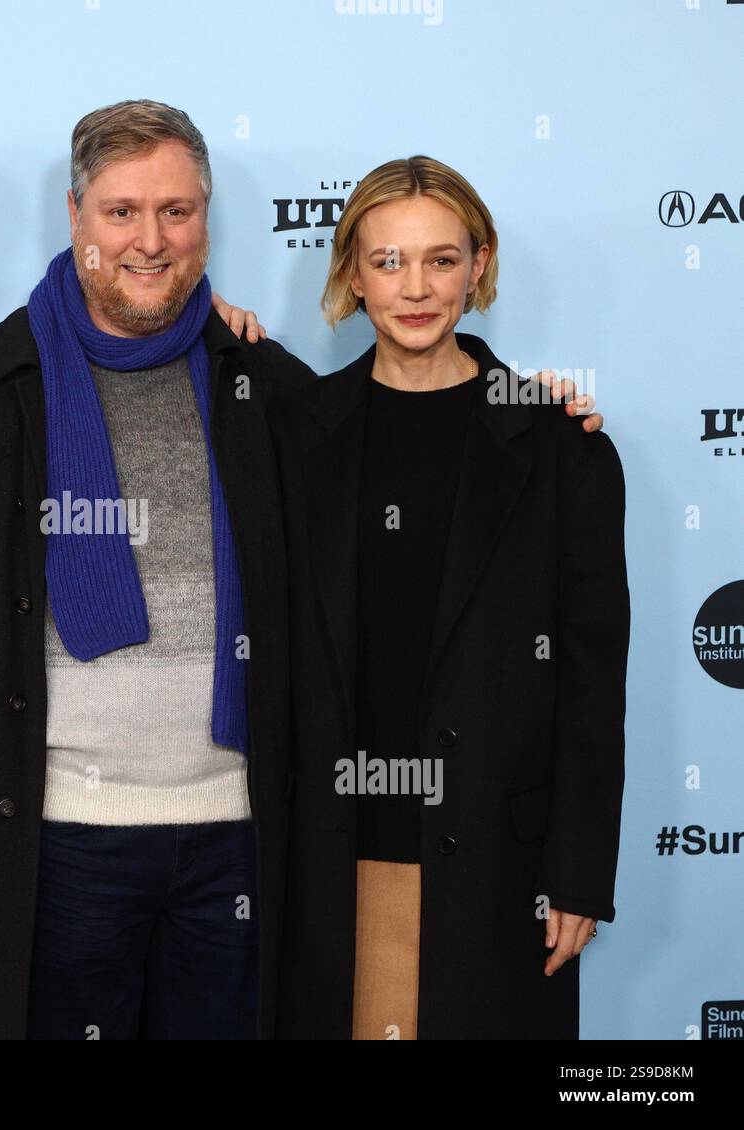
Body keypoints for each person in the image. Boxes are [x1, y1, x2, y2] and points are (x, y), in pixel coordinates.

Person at [0, 100, 312, 1039]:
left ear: (206, 223)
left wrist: (536, 407)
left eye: (176, 212)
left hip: (236, 837)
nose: (151, 239)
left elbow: (411, 438)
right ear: (74, 216)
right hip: (61, 841)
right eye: (122, 211)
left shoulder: (265, 383)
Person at [272, 156, 630, 1039]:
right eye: (388, 261)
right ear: (352, 273)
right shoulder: (293, 434)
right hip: (331, 858)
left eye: (441, 259)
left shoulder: (561, 447)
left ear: (481, 265)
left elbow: (593, 684)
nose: (415, 288)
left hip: (498, 870)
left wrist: (578, 875)